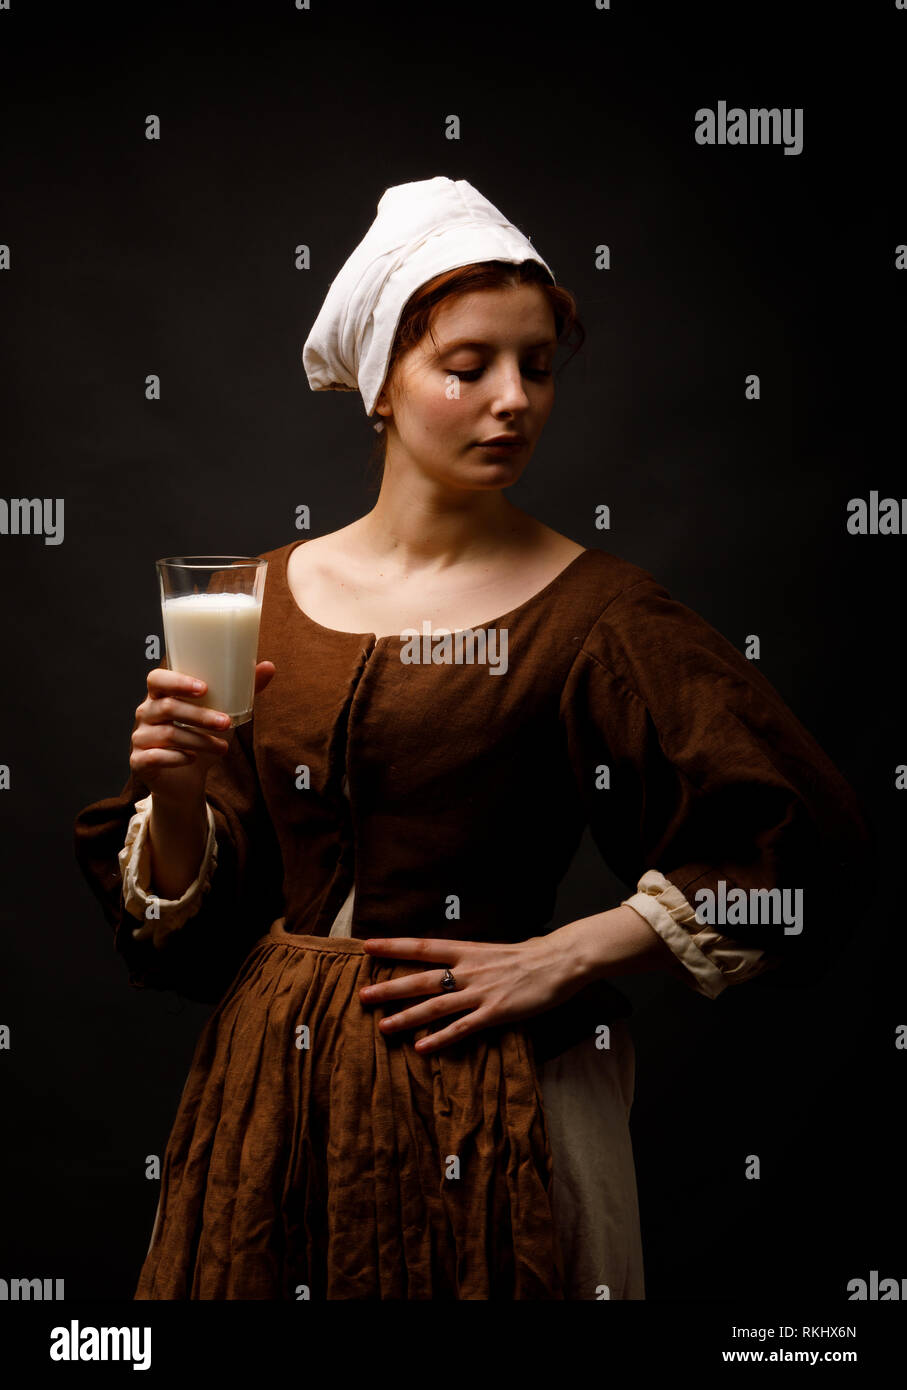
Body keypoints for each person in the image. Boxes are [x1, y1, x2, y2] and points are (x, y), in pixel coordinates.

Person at [73, 176, 873, 1301]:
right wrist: (181, 794)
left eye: (536, 367)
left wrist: (575, 950)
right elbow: (187, 945)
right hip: (272, 1103)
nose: (514, 401)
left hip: (496, 1093)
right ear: (381, 388)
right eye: (468, 366)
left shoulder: (596, 611)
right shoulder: (255, 596)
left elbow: (804, 842)